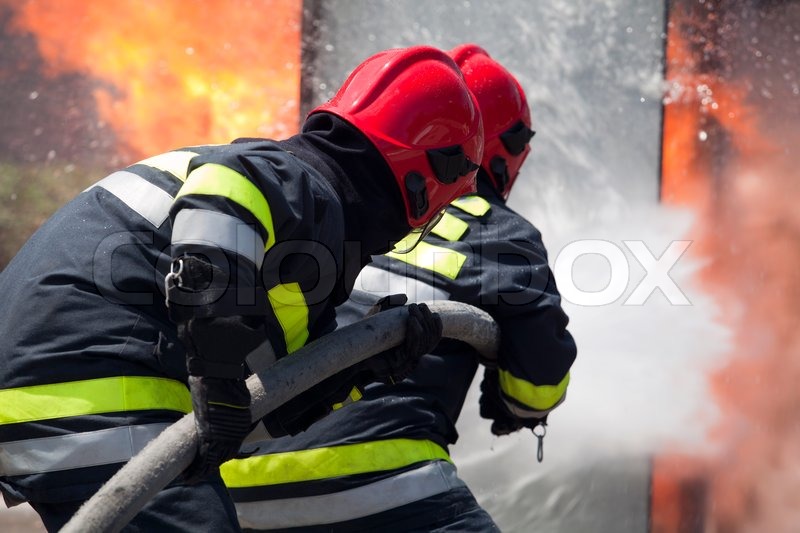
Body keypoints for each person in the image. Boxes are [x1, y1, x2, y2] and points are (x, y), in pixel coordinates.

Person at [0, 45, 484, 532]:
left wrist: (364, 366)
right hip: (91, 386)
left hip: (46, 389)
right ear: (428, 179)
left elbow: (251, 415)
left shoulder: (301, 233)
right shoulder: (298, 181)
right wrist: (217, 374)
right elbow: (224, 201)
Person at [222, 44, 577, 532]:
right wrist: (511, 394)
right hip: (374, 483)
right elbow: (537, 385)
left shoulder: (325, 200)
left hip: (227, 486)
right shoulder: (500, 233)